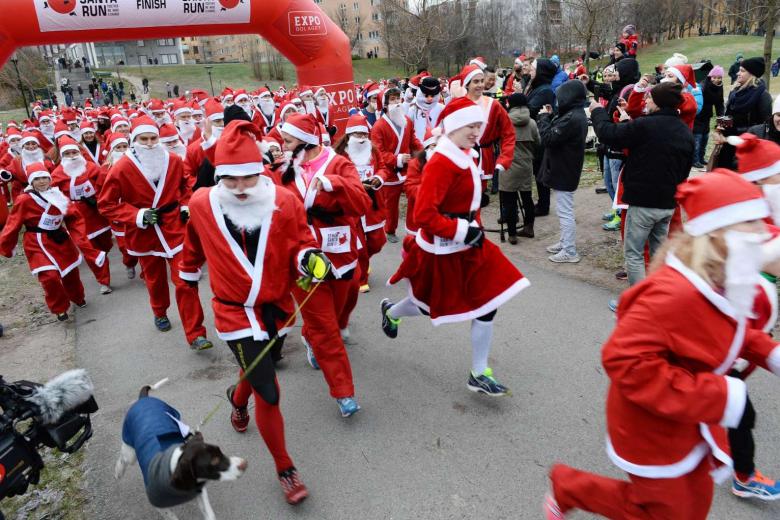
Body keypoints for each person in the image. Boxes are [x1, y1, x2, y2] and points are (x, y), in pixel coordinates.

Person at [544, 170, 780, 520]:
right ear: (717, 232)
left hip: (688, 417)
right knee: (667, 513)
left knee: (694, 505)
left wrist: (770, 354)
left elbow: (729, 330)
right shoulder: (673, 294)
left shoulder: (720, 279)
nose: (763, 232)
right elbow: (623, 361)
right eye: (751, 222)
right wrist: (721, 397)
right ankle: (569, 487)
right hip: (650, 425)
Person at [179, 120, 314, 505]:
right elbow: (193, 245)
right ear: (218, 176)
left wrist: (309, 258)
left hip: (276, 307)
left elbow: (301, 241)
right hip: (234, 313)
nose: (239, 187)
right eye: (230, 179)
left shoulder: (284, 200)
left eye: (248, 178)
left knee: (256, 369)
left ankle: (237, 399)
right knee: (269, 392)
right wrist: (187, 275)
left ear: (261, 171)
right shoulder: (202, 203)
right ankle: (285, 468)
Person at [381, 97, 530, 396]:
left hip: (469, 242)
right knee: (425, 305)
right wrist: (461, 230)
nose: (477, 132)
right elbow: (425, 214)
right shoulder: (441, 161)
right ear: (451, 127)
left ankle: (479, 372)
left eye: (478, 125)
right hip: (441, 246)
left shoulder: (465, 153)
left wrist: (471, 220)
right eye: (470, 126)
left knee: (488, 304)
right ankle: (391, 311)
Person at [277, 113, 371, 417]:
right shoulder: (282, 170)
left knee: (342, 309)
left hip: (341, 254)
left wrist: (334, 184)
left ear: (305, 141)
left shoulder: (339, 164)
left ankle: (309, 336)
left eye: (288, 141)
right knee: (327, 329)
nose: (283, 145)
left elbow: (362, 204)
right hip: (303, 261)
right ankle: (344, 393)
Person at [98, 116, 212, 351]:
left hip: (174, 228)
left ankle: (196, 334)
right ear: (134, 140)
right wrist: (137, 215)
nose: (150, 144)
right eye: (144, 139)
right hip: (144, 233)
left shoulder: (173, 160)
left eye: (153, 138)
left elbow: (186, 186)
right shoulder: (121, 167)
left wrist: (185, 205)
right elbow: (106, 204)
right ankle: (159, 312)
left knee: (185, 280)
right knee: (155, 280)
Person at [590, 82, 694, 287]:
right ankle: (657, 296)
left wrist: (598, 111)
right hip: (667, 204)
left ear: (659, 102)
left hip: (643, 203)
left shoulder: (645, 125)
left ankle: (639, 299)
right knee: (659, 254)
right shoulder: (684, 131)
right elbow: (684, 171)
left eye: (650, 97)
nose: (646, 100)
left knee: (634, 254)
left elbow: (608, 134)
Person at [0, 164, 85, 321]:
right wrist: (6, 245)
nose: (41, 181)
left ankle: (78, 297)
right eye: (37, 179)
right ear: (31, 181)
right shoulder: (24, 200)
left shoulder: (58, 195)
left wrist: (80, 237)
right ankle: (60, 308)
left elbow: (73, 216)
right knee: (49, 277)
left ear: (50, 179)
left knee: (71, 273)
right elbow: (13, 223)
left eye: (44, 177)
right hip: (36, 242)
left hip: (60, 239)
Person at [333, 113, 390, 293]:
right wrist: (354, 185)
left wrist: (378, 178)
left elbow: (383, 168)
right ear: (349, 134)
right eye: (358, 134)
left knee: (377, 241)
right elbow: (336, 176)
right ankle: (361, 278)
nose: (362, 138)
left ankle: (362, 263)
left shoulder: (373, 151)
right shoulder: (340, 154)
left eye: (364, 134)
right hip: (352, 205)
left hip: (373, 204)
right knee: (360, 247)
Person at [51, 136, 113, 294]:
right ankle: (104, 281)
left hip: (96, 213)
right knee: (88, 248)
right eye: (67, 153)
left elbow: (104, 184)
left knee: (105, 245)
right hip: (76, 216)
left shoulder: (91, 167)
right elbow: (53, 194)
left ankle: (103, 258)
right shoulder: (57, 174)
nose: (72, 156)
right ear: (62, 156)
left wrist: (98, 198)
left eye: (74, 152)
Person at [538, 81, 588, 263]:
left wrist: (543, 118)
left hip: (564, 170)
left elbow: (549, 138)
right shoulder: (573, 113)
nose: (559, 101)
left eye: (561, 98)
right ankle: (564, 242)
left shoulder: (573, 117)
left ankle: (570, 251)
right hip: (564, 167)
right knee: (563, 210)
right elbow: (558, 132)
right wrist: (551, 115)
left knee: (565, 212)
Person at [371, 87, 422, 243]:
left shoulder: (407, 121)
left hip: (407, 170)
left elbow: (413, 141)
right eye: (392, 99)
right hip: (389, 173)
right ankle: (390, 230)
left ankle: (415, 227)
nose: (397, 102)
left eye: (398, 98)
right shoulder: (378, 126)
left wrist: (424, 153)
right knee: (391, 206)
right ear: (385, 104)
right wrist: (397, 159)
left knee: (415, 198)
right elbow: (378, 152)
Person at [714, 57, 773, 169]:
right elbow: (728, 115)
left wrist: (739, 136)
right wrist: (718, 130)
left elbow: (764, 126)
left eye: (742, 71)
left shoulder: (763, 96)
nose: (738, 73)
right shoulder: (735, 92)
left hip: (746, 147)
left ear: (752, 74)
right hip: (727, 145)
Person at [500, 93, 539, 243]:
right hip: (526, 164)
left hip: (508, 164)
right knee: (527, 198)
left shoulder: (504, 122)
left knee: (509, 200)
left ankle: (512, 234)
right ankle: (529, 228)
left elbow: (497, 140)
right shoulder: (532, 123)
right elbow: (537, 143)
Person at [525, 59, 557, 216]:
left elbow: (531, 109)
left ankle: (544, 205)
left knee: (540, 171)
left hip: (540, 135)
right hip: (535, 133)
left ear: (541, 72)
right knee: (538, 170)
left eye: (533, 68)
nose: (530, 71)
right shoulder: (536, 87)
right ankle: (542, 203)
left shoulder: (545, 91)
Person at [692, 65, 725, 168]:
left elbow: (719, 103)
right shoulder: (703, 86)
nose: (716, 80)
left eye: (719, 77)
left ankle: (701, 158)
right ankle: (694, 160)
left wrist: (721, 118)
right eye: (714, 77)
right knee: (697, 137)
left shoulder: (720, 87)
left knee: (705, 136)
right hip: (698, 115)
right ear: (710, 76)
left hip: (707, 115)